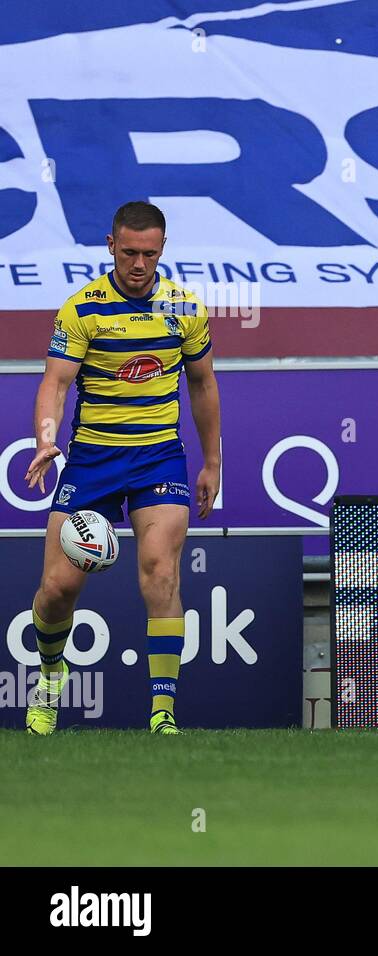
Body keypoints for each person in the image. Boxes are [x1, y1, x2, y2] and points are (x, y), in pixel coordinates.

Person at [25, 201, 221, 736]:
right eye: (129, 252)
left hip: (158, 457)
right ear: (110, 245)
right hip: (92, 461)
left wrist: (213, 461)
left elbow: (203, 385)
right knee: (57, 590)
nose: (139, 263)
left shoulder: (185, 307)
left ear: (162, 250)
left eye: (150, 253)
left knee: (160, 569)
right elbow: (56, 383)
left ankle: (162, 711)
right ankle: (48, 676)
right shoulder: (82, 308)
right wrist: (46, 439)